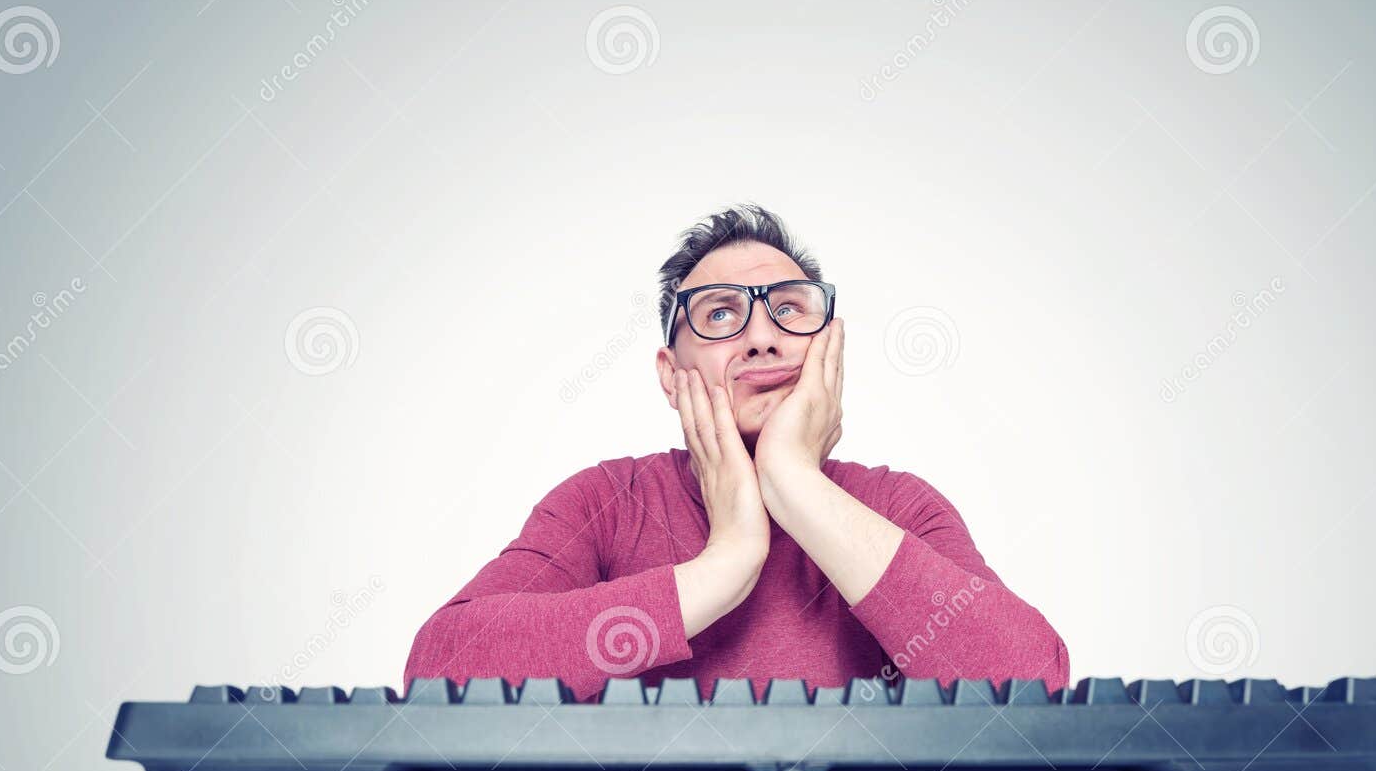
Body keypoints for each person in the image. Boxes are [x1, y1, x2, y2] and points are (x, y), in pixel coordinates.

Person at [403, 203, 1068, 701]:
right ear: (670, 373)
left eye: (789, 309)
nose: (761, 339)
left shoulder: (897, 506)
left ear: (828, 346)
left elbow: (1034, 684)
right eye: (720, 315)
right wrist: (728, 562)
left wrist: (794, 483)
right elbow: (441, 670)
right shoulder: (605, 502)